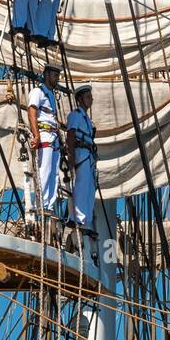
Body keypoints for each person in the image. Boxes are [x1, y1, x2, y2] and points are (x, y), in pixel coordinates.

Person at [26, 63, 64, 214]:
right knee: (45, 170)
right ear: (47, 74)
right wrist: (36, 135)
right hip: (45, 134)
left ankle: (48, 205)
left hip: (53, 136)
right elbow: (31, 112)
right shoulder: (38, 91)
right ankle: (41, 204)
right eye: (55, 76)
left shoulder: (51, 95)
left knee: (54, 173)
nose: (57, 79)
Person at [65, 83, 97, 235]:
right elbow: (70, 134)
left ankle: (87, 221)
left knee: (90, 189)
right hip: (81, 153)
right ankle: (77, 218)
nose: (91, 99)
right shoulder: (75, 115)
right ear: (80, 99)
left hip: (89, 155)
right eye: (87, 97)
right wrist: (70, 156)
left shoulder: (88, 120)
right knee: (82, 186)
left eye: (90, 96)